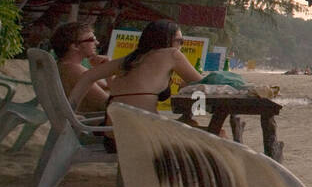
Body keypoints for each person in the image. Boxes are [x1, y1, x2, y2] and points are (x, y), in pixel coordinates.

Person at [69, 20, 204, 151]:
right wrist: (188, 85)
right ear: (165, 40)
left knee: (189, 124)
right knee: (209, 133)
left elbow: (87, 77)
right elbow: (202, 84)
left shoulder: (129, 60)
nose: (181, 45)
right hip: (144, 138)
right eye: (179, 41)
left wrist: (70, 113)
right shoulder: (172, 54)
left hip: (112, 139)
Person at [51, 22, 110, 113]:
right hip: (91, 122)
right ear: (75, 46)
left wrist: (104, 68)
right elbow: (108, 105)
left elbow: (106, 85)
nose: (97, 43)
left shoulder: (63, 65)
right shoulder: (75, 70)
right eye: (92, 39)